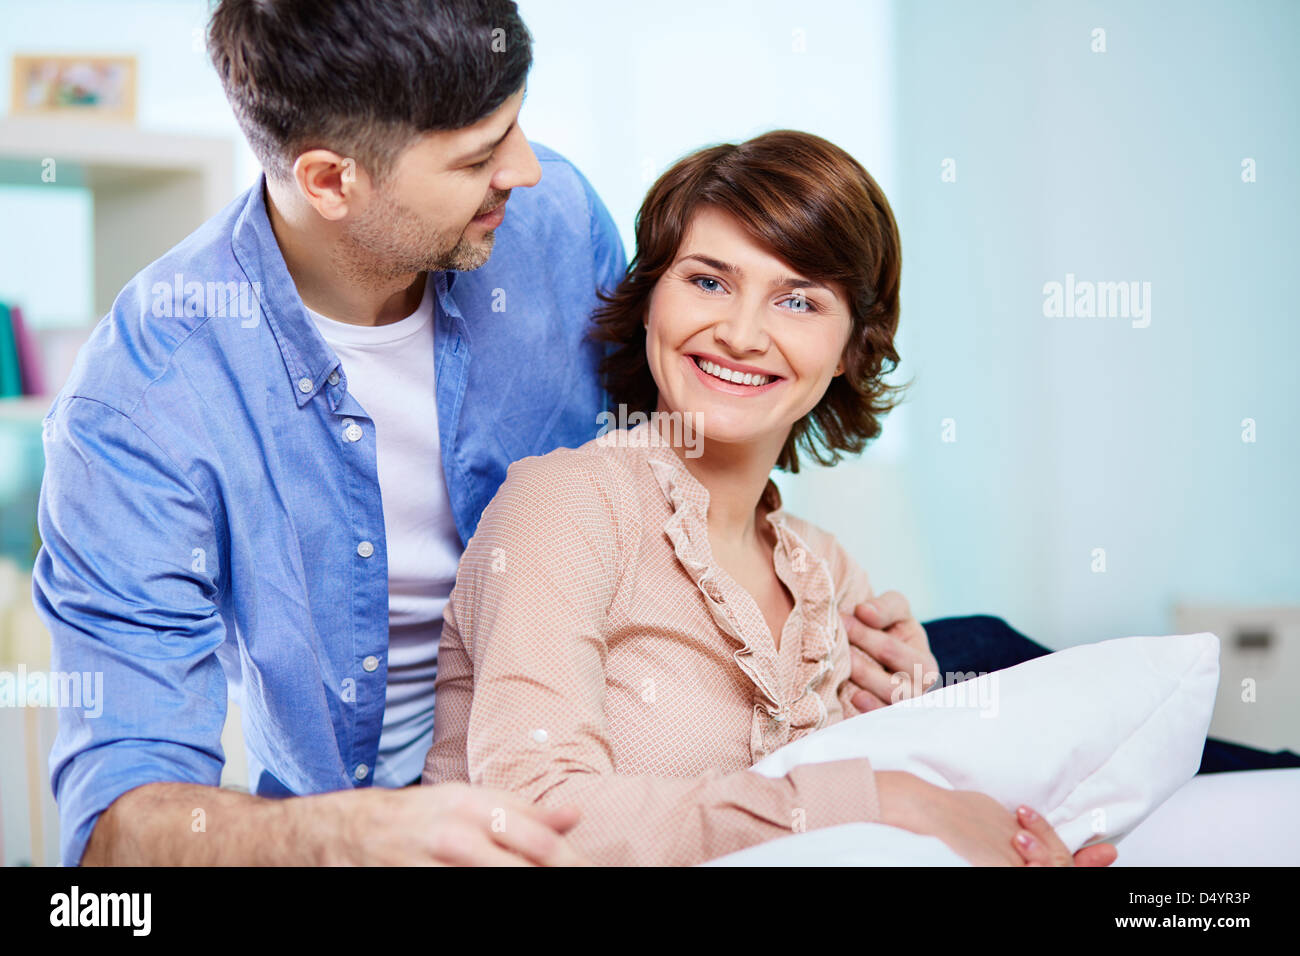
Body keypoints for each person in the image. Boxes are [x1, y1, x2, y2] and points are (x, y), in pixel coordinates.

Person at [422, 130, 1119, 867]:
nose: (742, 333)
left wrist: (935, 750)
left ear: (852, 348)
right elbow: (538, 817)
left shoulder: (829, 573)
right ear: (650, 299)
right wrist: (890, 799)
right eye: (709, 281)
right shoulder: (564, 505)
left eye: (798, 301)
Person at [34, 0, 614, 867]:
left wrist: (805, 598)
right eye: (480, 156)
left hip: (605, 769)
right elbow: (114, 820)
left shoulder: (554, 222)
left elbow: (684, 455)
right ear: (331, 181)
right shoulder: (140, 404)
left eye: (516, 126)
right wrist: (347, 833)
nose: (525, 170)